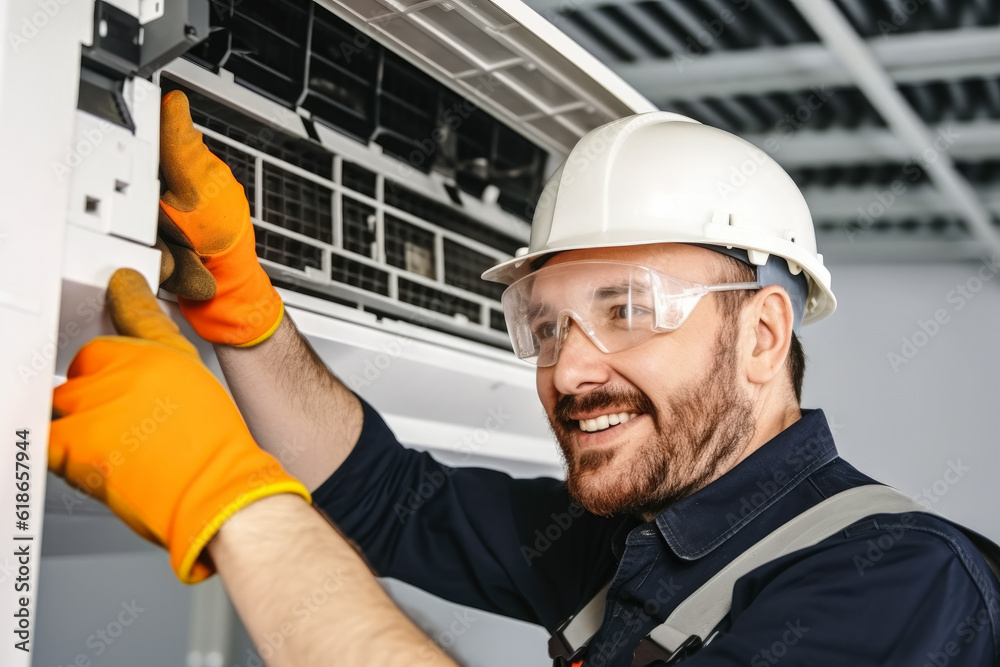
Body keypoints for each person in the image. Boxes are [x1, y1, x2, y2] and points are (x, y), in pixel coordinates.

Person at [50, 92, 1000, 667]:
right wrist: (245, 315)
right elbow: (382, 498)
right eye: (546, 323)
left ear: (761, 334)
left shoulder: (901, 584)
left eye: (629, 308)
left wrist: (236, 508)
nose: (572, 368)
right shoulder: (627, 537)